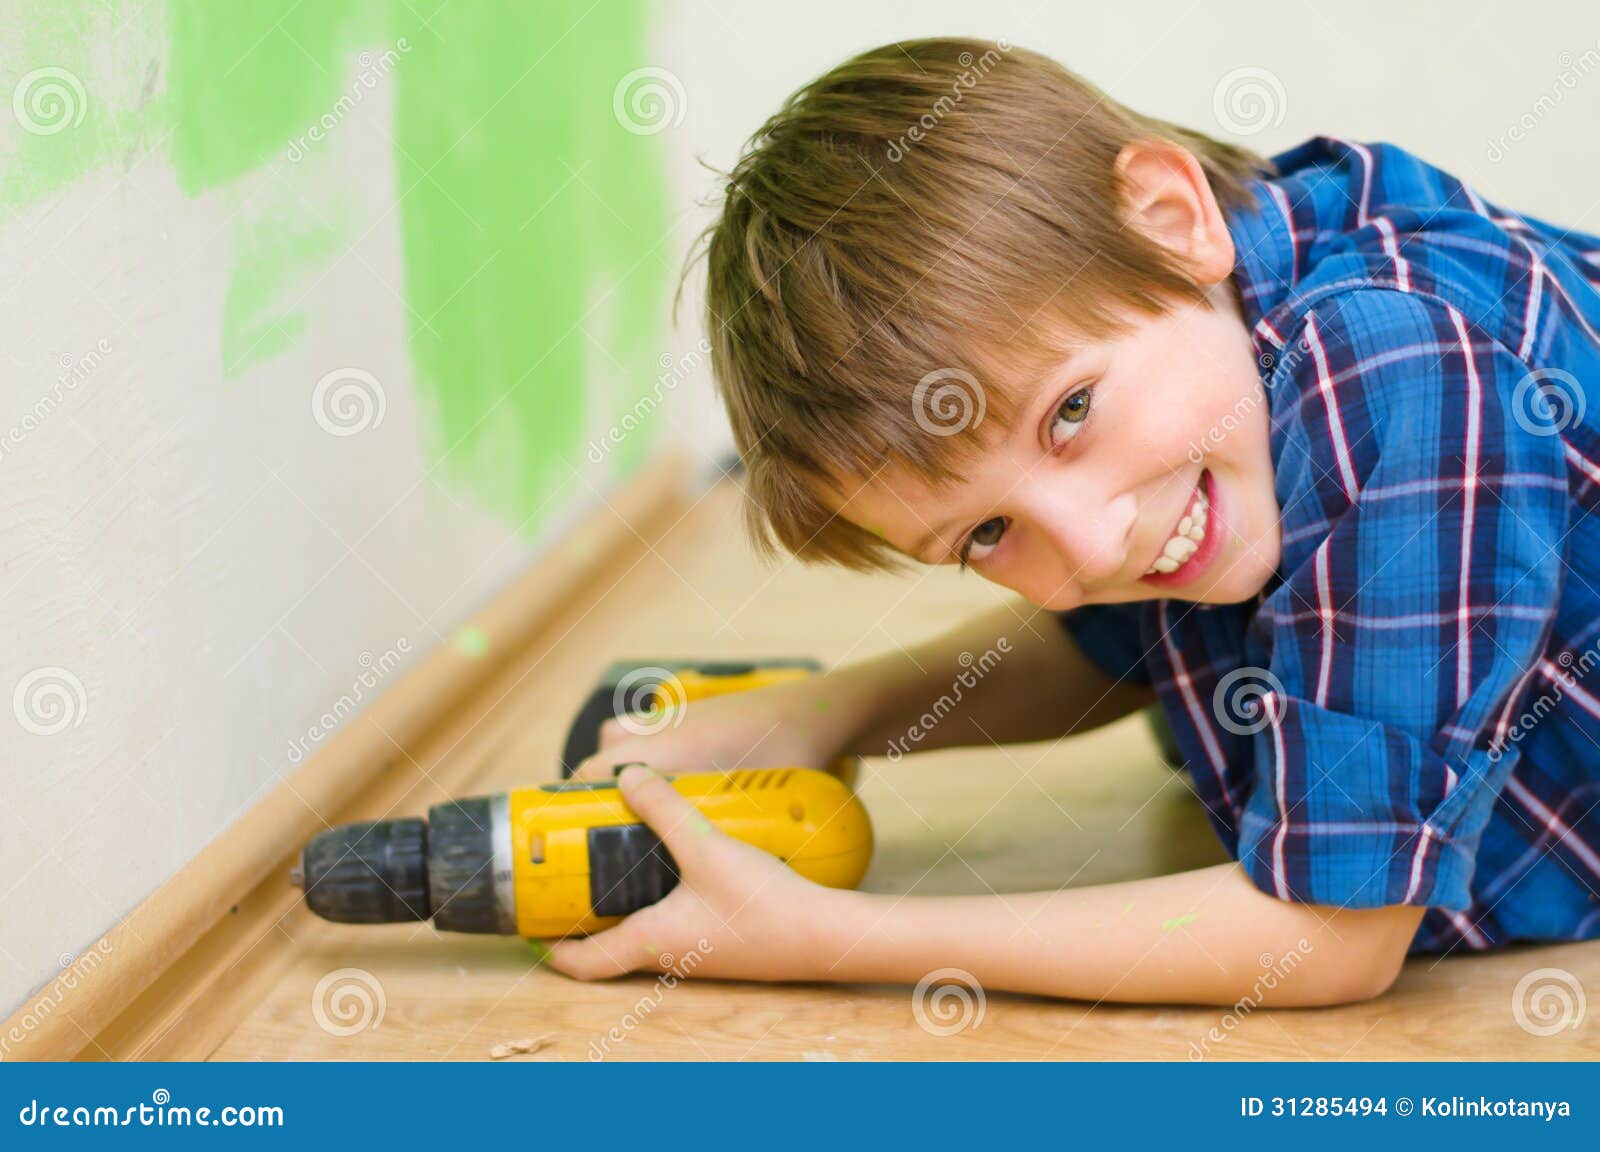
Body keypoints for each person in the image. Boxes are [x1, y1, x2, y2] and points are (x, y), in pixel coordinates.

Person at [541, 38, 1600, 1007]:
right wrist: (816, 717)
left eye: (1071, 414)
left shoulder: (1400, 367)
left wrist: (825, 936)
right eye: (986, 535)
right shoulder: (1202, 331)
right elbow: (1114, 642)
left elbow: (1328, 935)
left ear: (1170, 218)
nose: (1093, 545)